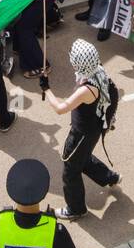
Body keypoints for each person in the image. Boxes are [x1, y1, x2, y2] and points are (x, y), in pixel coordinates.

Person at [42, 40, 121, 221]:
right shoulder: (98, 69)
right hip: (94, 128)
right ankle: (110, 177)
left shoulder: (86, 90)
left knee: (70, 169)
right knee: (83, 159)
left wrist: (46, 88)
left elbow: (61, 108)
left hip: (82, 134)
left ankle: (75, 208)